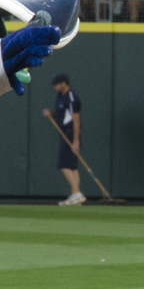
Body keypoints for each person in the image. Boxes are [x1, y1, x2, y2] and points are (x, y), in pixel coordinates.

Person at [43, 74, 85, 206]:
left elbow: (76, 119)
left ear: (64, 83)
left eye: (57, 84)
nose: (55, 87)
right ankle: (75, 195)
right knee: (72, 166)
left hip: (70, 133)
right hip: (64, 132)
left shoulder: (71, 98)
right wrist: (51, 114)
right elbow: (61, 113)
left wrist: (76, 141)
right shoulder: (60, 96)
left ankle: (77, 193)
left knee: (64, 165)